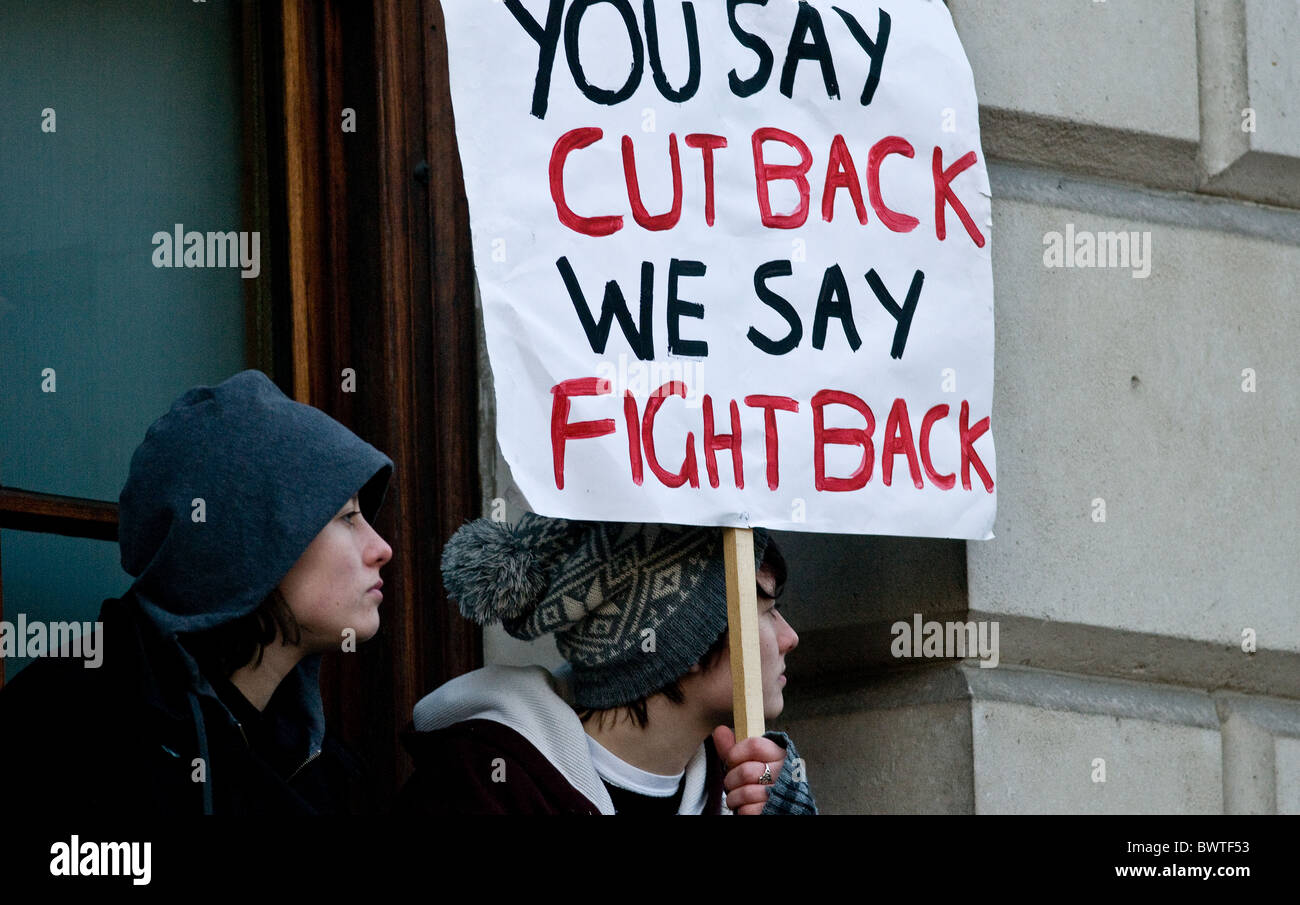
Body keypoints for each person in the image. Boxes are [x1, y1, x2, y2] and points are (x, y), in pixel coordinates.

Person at [0, 369, 394, 814]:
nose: (382, 548)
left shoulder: (326, 772)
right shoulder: (68, 731)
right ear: (249, 540)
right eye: (346, 516)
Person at [396, 515, 817, 815]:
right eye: (765, 609)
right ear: (685, 640)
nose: (789, 637)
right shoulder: (479, 791)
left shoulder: (745, 789)